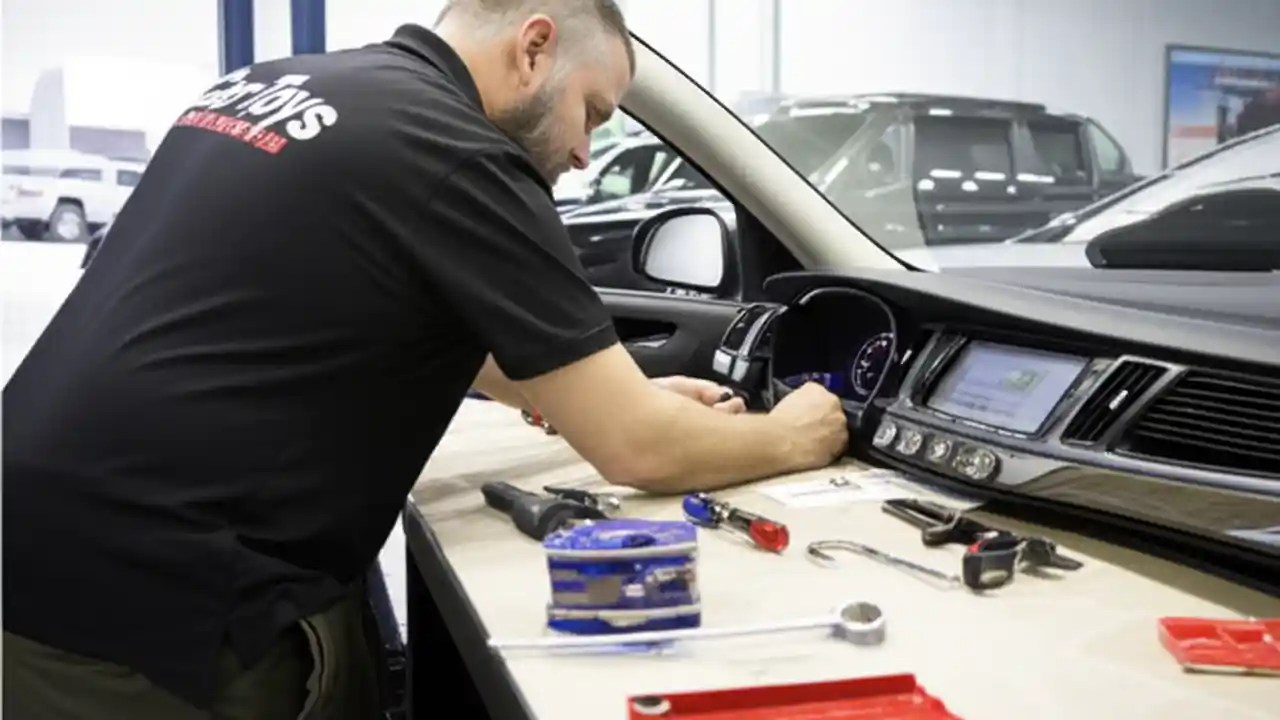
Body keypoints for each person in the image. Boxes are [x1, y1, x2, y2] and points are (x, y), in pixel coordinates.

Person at [2, 0, 848, 717]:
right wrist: (798, 432)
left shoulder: (270, 84)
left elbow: (338, 306)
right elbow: (642, 452)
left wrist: (582, 395)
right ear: (535, 47)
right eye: (592, 112)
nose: (589, 151)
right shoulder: (459, 152)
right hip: (147, 626)